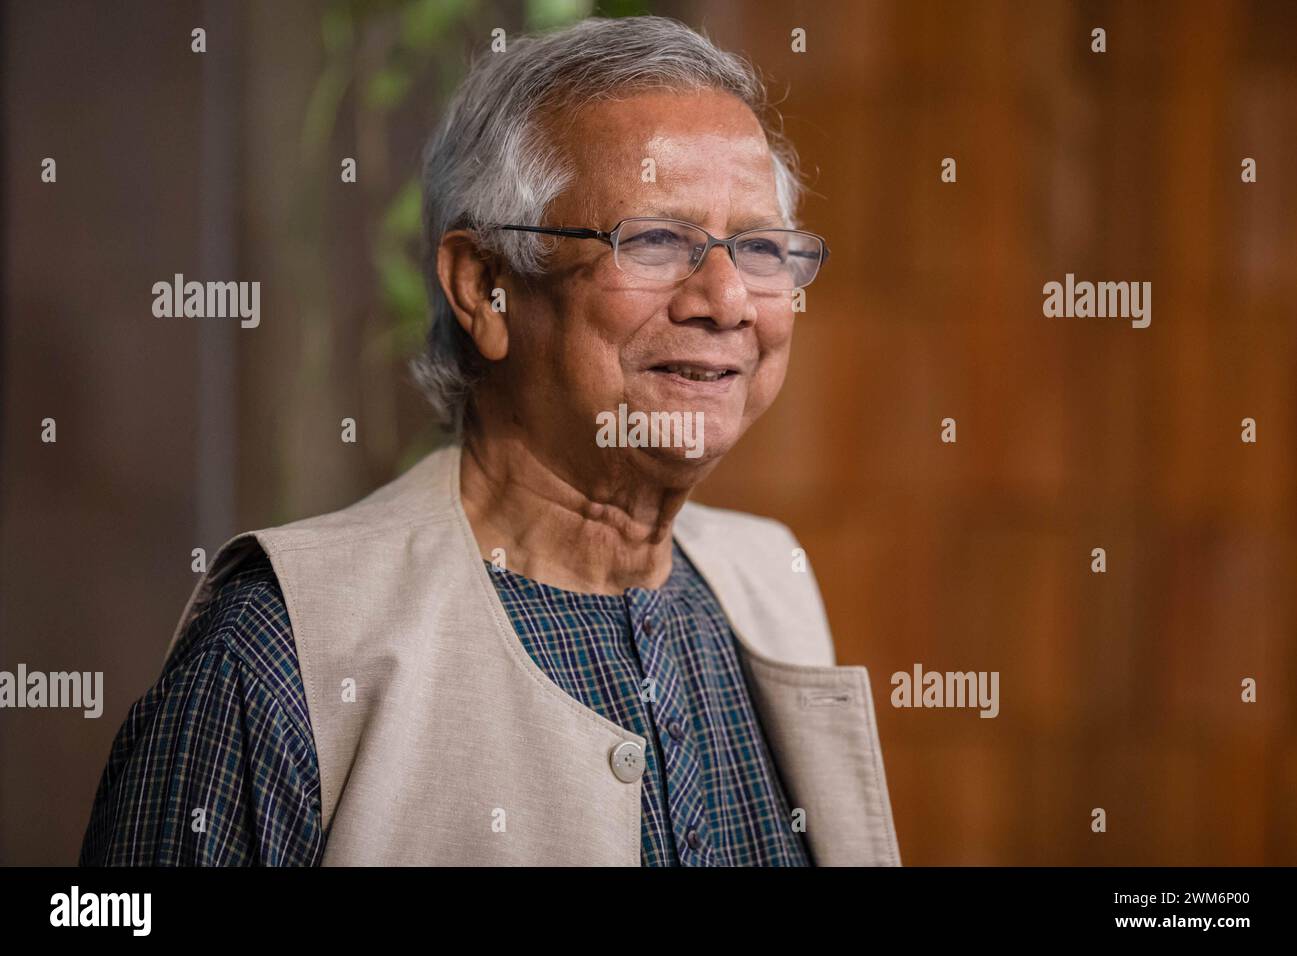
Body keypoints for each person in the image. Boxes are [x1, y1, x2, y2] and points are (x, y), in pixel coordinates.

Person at [80, 14, 899, 867]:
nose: (728, 300)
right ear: (485, 286)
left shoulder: (774, 586)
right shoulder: (283, 650)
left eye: (762, 248)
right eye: (656, 240)